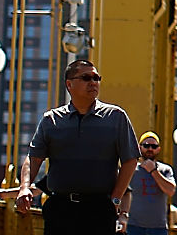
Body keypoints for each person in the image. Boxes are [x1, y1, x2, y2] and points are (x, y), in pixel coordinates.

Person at [17, 58, 142, 235]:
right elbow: (33, 159)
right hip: (60, 210)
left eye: (96, 78)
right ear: (69, 84)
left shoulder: (116, 117)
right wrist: (24, 187)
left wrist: (115, 199)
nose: (93, 82)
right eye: (86, 78)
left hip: (99, 210)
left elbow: (130, 160)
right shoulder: (51, 120)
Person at [123, 132, 177, 235]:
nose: (150, 149)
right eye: (146, 146)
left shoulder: (165, 170)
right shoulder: (131, 170)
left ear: (159, 149)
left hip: (158, 228)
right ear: (139, 147)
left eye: (154, 146)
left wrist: (153, 171)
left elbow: (171, 191)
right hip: (133, 227)